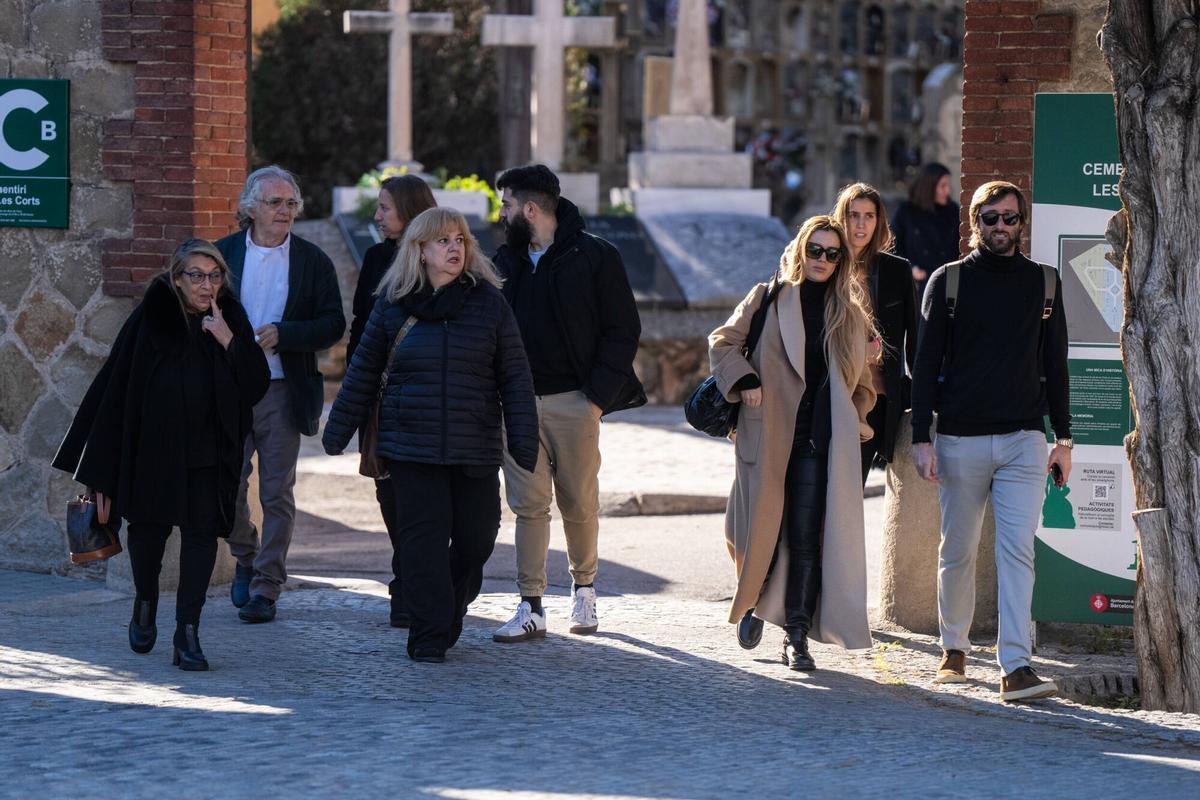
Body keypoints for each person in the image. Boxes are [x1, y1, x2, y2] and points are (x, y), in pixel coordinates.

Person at [322, 207, 539, 662]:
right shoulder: (393, 303)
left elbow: (515, 375)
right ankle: (427, 632)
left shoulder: (489, 303)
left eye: (460, 239)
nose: (455, 247)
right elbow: (362, 369)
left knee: (478, 537)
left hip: (473, 445)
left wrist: (523, 439)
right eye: (443, 241)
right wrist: (338, 429)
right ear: (419, 251)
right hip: (411, 446)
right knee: (421, 542)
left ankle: (448, 607)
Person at [53, 240, 270, 670]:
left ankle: (187, 632)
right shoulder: (149, 320)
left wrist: (229, 342)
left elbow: (256, 385)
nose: (207, 285)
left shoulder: (231, 318)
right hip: (153, 454)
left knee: (202, 538)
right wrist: (101, 473)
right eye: (197, 275)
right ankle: (146, 600)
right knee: (148, 537)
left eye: (215, 275)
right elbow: (114, 393)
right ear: (176, 279)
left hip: (210, 456)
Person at [911, 180, 1071, 702]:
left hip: (1025, 439)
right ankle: (953, 649)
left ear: (1022, 223)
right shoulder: (949, 281)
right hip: (959, 438)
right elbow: (926, 361)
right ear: (973, 222)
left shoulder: (1045, 283)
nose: (999, 227)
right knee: (956, 550)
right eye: (990, 218)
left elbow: (1056, 365)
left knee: (1017, 553)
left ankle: (1016, 667)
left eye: (1009, 218)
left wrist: (1063, 439)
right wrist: (921, 437)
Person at [709, 216, 878, 671]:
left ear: (841, 260)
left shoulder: (850, 312)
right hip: (768, 432)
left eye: (832, 253)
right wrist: (745, 381)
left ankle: (796, 635)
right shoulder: (768, 297)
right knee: (752, 529)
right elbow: (723, 342)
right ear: (801, 250)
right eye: (815, 250)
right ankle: (757, 597)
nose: (822, 260)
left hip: (817, 442)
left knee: (805, 539)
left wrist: (855, 419)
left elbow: (864, 384)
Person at [489, 164, 645, 643]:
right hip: (515, 405)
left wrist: (594, 399)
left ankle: (585, 589)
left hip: (575, 403)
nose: (503, 213)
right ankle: (531, 605)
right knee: (528, 506)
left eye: (507, 204)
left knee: (578, 501)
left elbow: (623, 329)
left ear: (530, 208)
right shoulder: (503, 261)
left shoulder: (595, 256)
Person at [216, 165, 346, 624]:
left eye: (291, 203)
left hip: (282, 389)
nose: (285, 211)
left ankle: (267, 585)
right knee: (224, 484)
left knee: (276, 491)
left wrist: (286, 333)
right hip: (229, 389)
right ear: (250, 208)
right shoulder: (222, 255)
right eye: (275, 203)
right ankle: (245, 553)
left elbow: (334, 324)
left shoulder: (313, 261)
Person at [346, 174, 437, 628]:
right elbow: (360, 328)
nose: (377, 216)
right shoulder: (377, 257)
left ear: (409, 208)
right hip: (381, 397)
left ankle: (418, 584)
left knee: (423, 496)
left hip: (428, 397)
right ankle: (404, 581)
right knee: (389, 490)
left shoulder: (440, 259)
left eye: (384, 207)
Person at [832, 183, 918, 484]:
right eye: (853, 215)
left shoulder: (897, 270)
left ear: (878, 221)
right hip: (831, 394)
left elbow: (915, 342)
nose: (860, 224)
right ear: (841, 219)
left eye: (869, 216)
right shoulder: (825, 264)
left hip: (876, 398)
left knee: (851, 487)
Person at [891, 162, 961, 299]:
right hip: (916, 288)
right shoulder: (906, 211)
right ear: (929, 187)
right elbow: (892, 247)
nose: (947, 191)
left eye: (948, 185)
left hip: (949, 288)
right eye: (942, 186)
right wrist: (910, 269)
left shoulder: (953, 211)